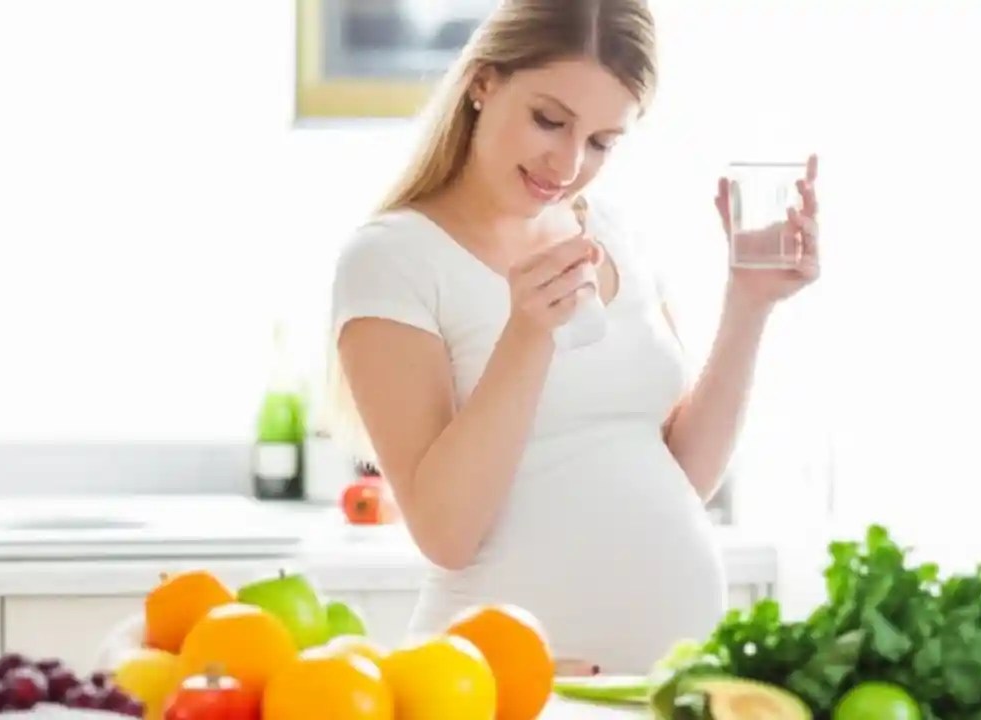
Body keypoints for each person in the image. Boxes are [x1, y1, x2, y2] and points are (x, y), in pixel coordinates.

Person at [328, 0, 820, 675]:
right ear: (483, 82)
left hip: (661, 683)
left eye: (601, 141)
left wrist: (749, 303)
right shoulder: (393, 258)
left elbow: (684, 478)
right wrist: (528, 333)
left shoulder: (612, 231)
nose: (567, 162)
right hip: (505, 686)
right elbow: (445, 531)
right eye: (549, 120)